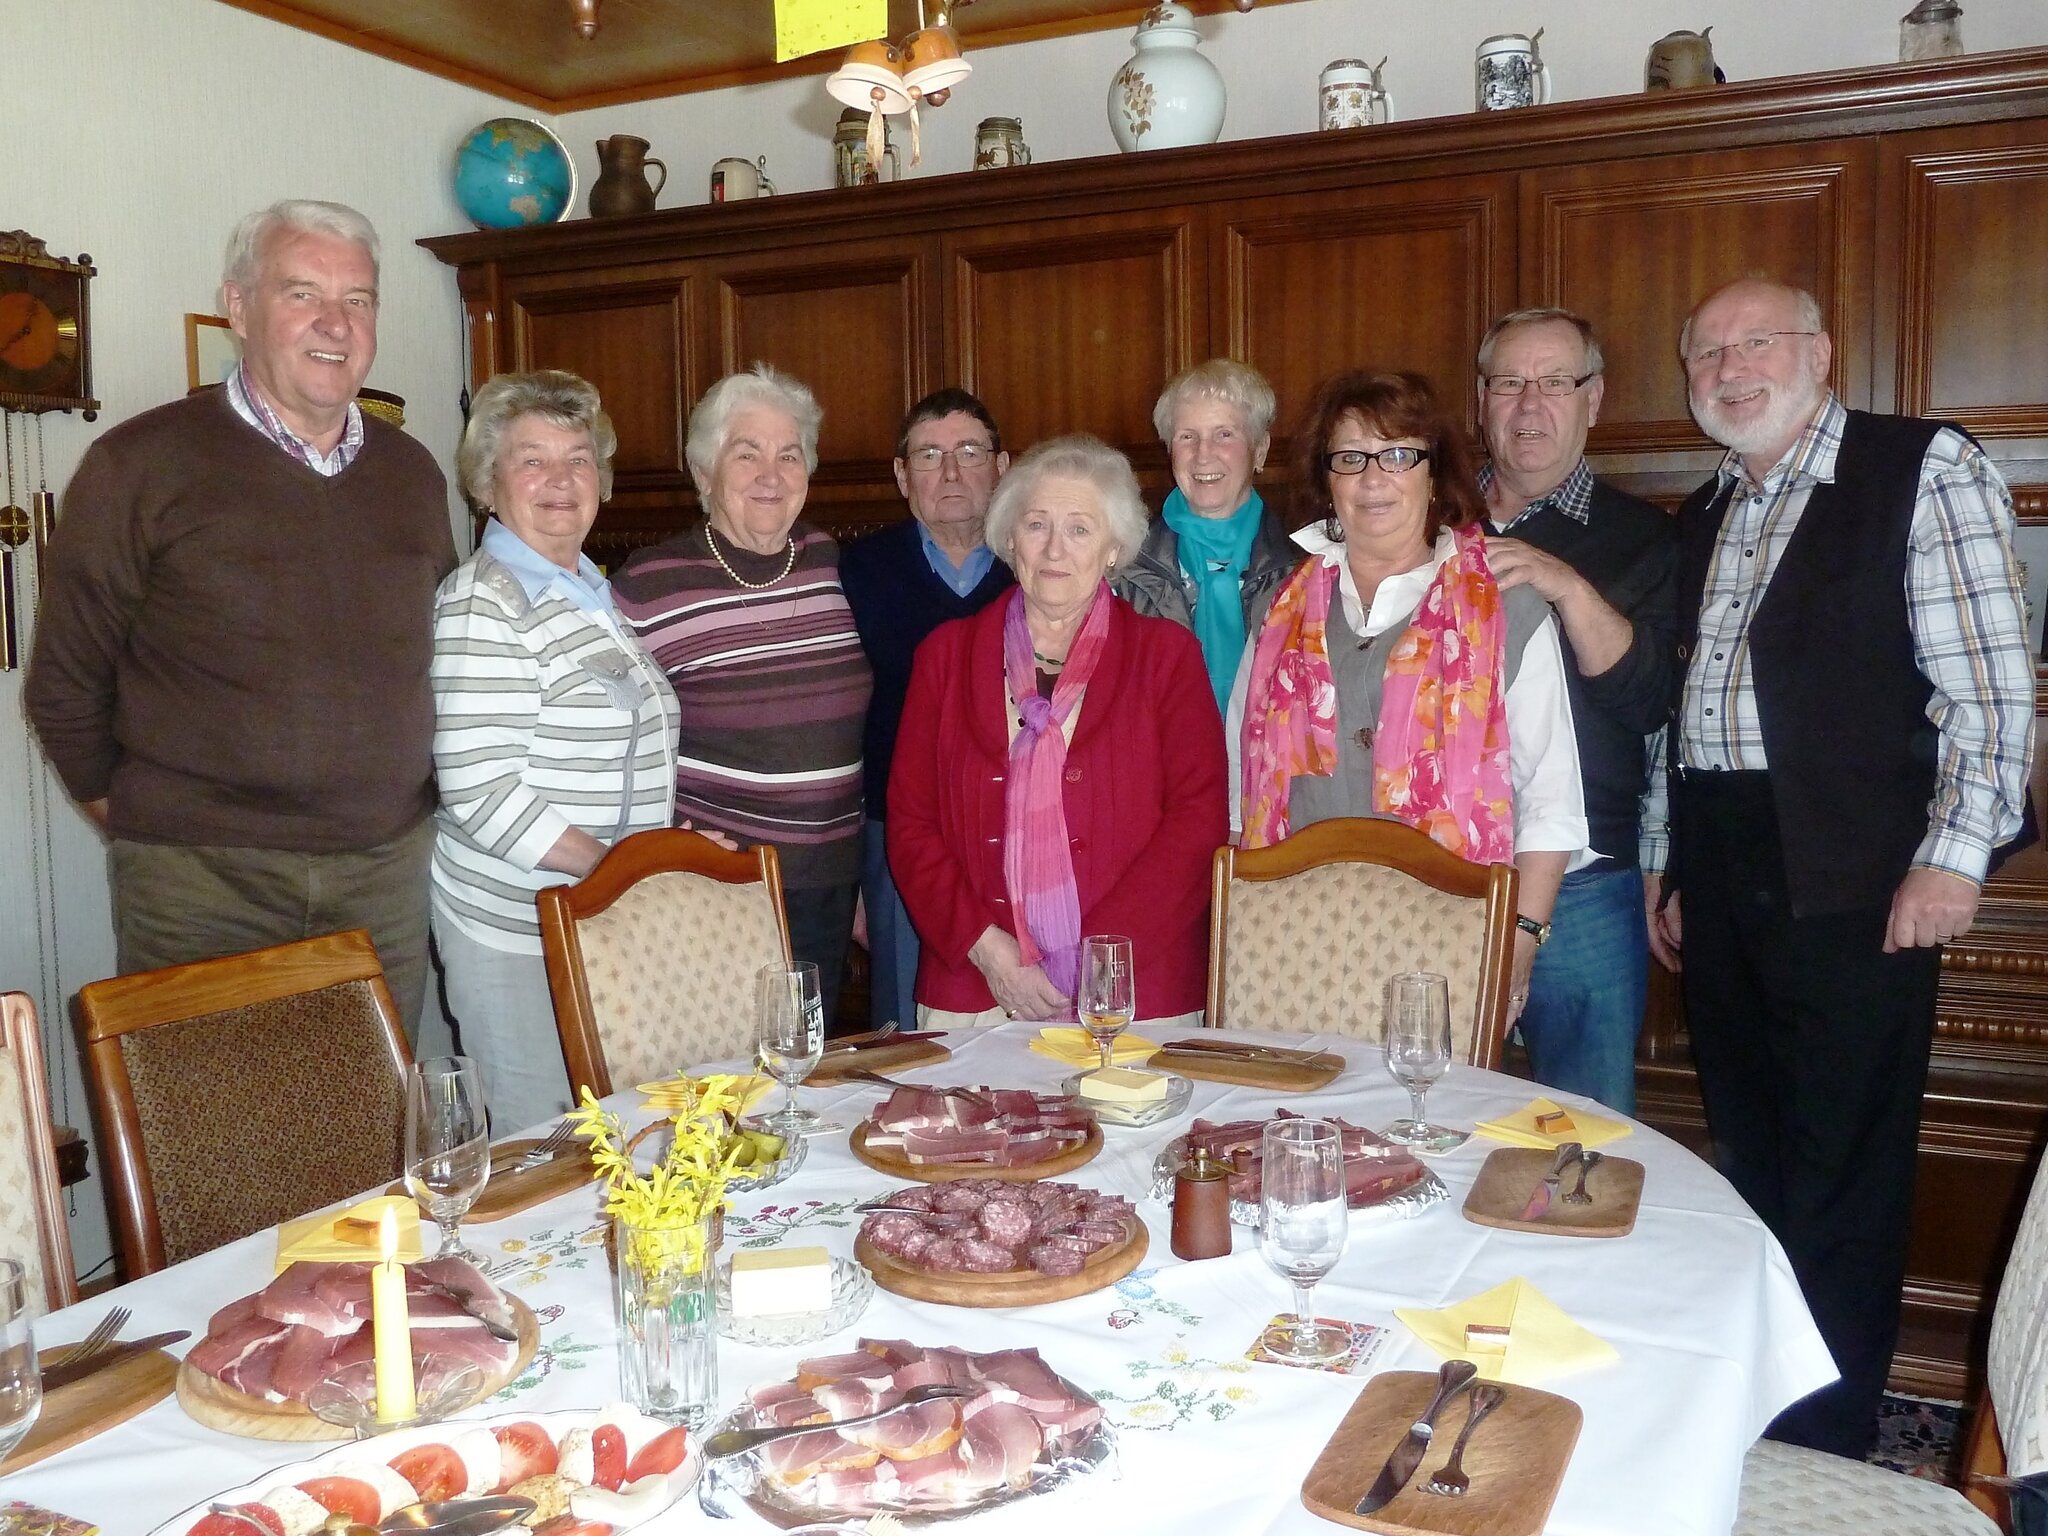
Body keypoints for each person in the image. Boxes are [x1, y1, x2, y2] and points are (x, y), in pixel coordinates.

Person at [1646, 278, 2033, 1457]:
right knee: (1749, 1154)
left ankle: (1825, 1446)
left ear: (1818, 351)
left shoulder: (1919, 468)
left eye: (1753, 341)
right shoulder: (1709, 508)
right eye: (1704, 352)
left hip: (1857, 874)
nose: (1727, 367)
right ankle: (1754, 1412)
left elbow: (1991, 686)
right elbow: (1681, 710)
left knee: (1841, 1169)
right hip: (1722, 865)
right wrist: (1670, 863)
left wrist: (1951, 861)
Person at [25, 199, 454, 1040]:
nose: (335, 322)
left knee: (371, 1144)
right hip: (201, 888)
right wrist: (164, 826)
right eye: (302, 293)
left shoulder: (411, 473)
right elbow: (63, 684)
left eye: (358, 299)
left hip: (383, 875)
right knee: (206, 1149)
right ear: (238, 307)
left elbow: (429, 660)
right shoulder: (139, 465)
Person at [1231, 370, 1588, 1019]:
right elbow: (1239, 786)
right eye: (1351, 458)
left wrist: (1520, 942)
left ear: (1434, 472)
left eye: (1398, 454)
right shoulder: (1275, 611)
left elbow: (1551, 802)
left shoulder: (1508, 610)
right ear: (1326, 479)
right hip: (1291, 944)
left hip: (1448, 943)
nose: (1374, 478)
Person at [889, 435, 1227, 1027]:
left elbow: (1198, 824)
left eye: (1079, 529)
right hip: (976, 988)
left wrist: (1104, 957)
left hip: (1133, 989)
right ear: (1009, 538)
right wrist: (990, 951)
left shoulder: (1167, 657)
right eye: (1037, 524)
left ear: (1113, 549)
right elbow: (912, 825)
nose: (1054, 548)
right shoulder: (944, 657)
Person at [428, 371, 679, 1131]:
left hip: (597, 917)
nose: (561, 480)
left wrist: (657, 861)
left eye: (578, 459)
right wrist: (615, 869)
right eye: (532, 460)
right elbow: (479, 791)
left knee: (612, 1139)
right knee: (541, 1148)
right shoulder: (484, 602)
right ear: (487, 484)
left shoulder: (586, 590)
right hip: (516, 929)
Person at [610, 365, 872, 1032]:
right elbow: (611, 741)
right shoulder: (647, 585)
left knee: (804, 1076)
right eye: (746, 452)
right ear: (704, 473)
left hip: (829, 882)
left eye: (789, 455)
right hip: (717, 882)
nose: (771, 474)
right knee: (728, 1081)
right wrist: (665, 842)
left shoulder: (830, 561)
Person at [1475, 308, 1678, 1114]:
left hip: (1588, 885)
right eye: (1510, 383)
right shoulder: (1425, 521)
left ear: (1593, 399)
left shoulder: (1646, 538)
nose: (1531, 404)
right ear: (1482, 400)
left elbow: (1648, 702)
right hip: (1443, 876)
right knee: (1421, 1117)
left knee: (1581, 1135)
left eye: (1555, 382)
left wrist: (1563, 586)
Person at [840, 389, 1015, 1031]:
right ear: (900, 474)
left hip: (1023, 825)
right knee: (905, 1026)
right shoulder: (858, 570)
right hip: (899, 833)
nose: (950, 472)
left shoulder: (1041, 561)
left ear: (1001, 466)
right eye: (929, 455)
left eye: (969, 451)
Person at [1115, 359, 1296, 712]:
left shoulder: (1306, 570)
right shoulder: (1121, 568)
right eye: (1187, 437)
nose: (1203, 454)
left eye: (1224, 434)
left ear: (1260, 450)